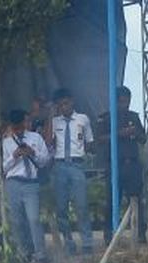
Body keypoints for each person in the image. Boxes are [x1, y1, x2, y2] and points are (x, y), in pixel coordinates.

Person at [46, 88, 95, 254]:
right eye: (60, 105)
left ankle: (87, 242)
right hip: (59, 166)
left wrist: (83, 154)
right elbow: (48, 141)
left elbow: (89, 142)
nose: (63, 107)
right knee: (61, 208)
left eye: (66, 103)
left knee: (81, 205)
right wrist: (50, 116)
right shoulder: (55, 121)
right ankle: (69, 242)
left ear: (72, 101)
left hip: (76, 164)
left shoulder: (83, 119)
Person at [3, 108, 52, 263]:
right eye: (16, 127)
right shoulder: (7, 142)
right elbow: (4, 168)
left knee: (34, 219)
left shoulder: (36, 138)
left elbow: (45, 160)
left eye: (21, 125)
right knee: (17, 221)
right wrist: (14, 156)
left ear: (25, 123)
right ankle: (24, 254)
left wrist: (32, 153)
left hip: (31, 183)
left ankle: (41, 255)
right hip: (14, 183)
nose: (19, 129)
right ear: (12, 126)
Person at [112, 86, 148, 243]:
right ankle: (111, 235)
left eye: (127, 101)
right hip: (115, 165)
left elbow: (143, 138)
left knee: (137, 200)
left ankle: (140, 234)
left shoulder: (134, 117)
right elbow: (100, 139)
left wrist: (135, 132)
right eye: (121, 102)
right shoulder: (108, 118)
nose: (124, 105)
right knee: (113, 200)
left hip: (132, 164)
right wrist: (119, 134)